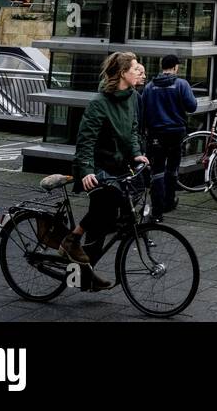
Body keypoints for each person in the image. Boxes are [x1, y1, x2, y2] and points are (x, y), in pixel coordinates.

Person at [64, 51, 149, 290]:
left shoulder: (132, 97)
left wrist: (136, 153)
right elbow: (85, 141)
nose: (139, 73)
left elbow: (132, 130)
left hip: (117, 166)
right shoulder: (99, 103)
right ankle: (71, 240)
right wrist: (87, 171)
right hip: (97, 167)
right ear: (123, 73)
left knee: (103, 222)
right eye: (135, 69)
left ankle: (83, 273)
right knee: (108, 203)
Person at [139, 54, 197, 224]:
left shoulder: (150, 87)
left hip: (156, 135)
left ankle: (157, 212)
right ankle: (169, 201)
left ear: (161, 66)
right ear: (175, 67)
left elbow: (143, 111)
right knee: (172, 167)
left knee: (157, 172)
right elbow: (192, 106)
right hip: (176, 132)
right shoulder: (181, 84)